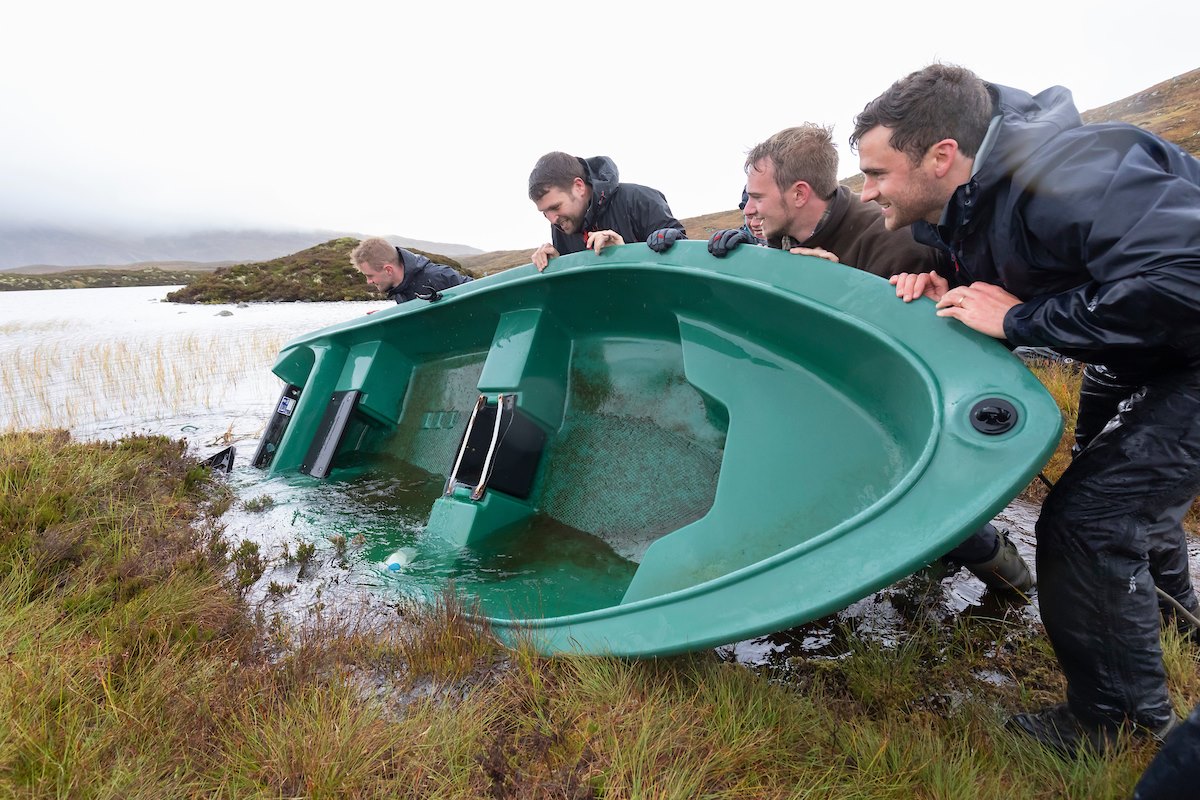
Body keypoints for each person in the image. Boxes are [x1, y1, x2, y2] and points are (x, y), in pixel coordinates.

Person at [851, 63, 1200, 757]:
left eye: (877, 173)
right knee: (1129, 504)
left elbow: (1186, 278)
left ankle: (1119, 722)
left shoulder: (1077, 170)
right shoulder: (974, 201)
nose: (865, 192)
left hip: (1187, 355)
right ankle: (1177, 626)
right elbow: (1038, 268)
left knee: (1088, 521)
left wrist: (1024, 321)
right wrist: (944, 281)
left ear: (941, 155)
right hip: (1138, 354)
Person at [649, 124, 1033, 596]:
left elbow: (927, 357)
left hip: (888, 413)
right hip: (818, 398)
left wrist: (836, 298)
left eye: (756, 197)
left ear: (799, 193)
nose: (748, 208)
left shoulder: (895, 244)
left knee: (933, 511)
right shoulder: (783, 239)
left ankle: (1012, 583)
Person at [527, 151, 684, 271]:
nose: (552, 219)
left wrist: (625, 255)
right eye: (544, 212)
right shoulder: (562, 225)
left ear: (579, 187)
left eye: (555, 207)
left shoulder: (640, 199)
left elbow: (685, 261)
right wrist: (558, 268)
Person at [350, 237, 471, 303]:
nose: (369, 282)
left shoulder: (439, 275)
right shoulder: (399, 290)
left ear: (388, 270)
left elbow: (484, 292)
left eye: (370, 276)